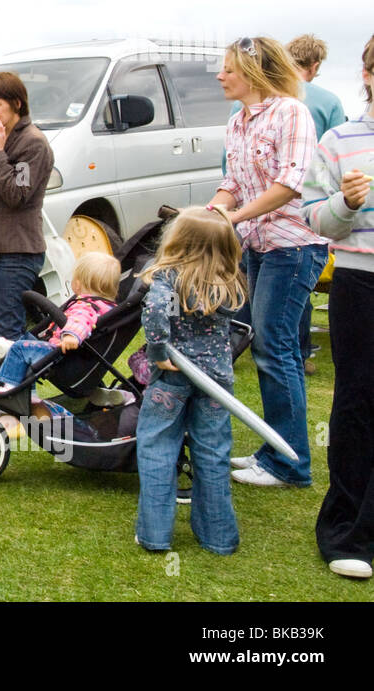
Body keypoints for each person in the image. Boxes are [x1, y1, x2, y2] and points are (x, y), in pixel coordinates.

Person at [209, 36, 327, 488]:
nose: (221, 76)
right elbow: (233, 181)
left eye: (229, 69)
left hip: (293, 246)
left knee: (275, 349)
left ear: (254, 74)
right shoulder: (236, 123)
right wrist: (212, 213)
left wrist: (232, 218)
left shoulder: (291, 114)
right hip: (259, 246)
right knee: (268, 347)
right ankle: (275, 447)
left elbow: (291, 184)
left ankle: (290, 464)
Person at [302, 32, 374, 579]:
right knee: (356, 402)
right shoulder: (341, 141)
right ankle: (348, 529)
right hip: (360, 282)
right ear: (368, 76)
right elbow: (313, 219)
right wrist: (345, 205)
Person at [135, 206, 247, 556]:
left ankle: (155, 534)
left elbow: (154, 312)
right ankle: (219, 537)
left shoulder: (168, 277)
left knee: (158, 448)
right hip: (216, 381)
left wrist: (158, 352)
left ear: (177, 241)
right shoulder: (227, 281)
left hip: (172, 378)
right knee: (213, 452)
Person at [0, 72, 55, 339]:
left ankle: (17, 380)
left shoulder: (33, 143)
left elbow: (17, 195)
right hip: (2, 245)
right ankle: (13, 379)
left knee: (7, 329)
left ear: (17, 103)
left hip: (19, 249)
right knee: (5, 326)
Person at [288, 34, 345, 375]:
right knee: (302, 285)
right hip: (309, 207)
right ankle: (302, 350)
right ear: (316, 65)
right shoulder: (328, 101)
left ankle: (246, 338)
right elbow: (338, 160)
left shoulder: (256, 96)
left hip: (258, 210)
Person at [0, 251, 120, 394]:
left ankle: (10, 389)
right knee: (27, 341)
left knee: (20, 348)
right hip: (76, 356)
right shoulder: (107, 307)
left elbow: (81, 321)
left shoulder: (86, 306)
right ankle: (12, 351)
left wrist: (71, 335)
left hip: (59, 354)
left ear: (78, 284)